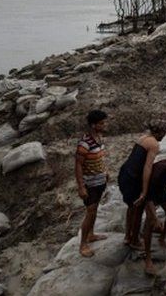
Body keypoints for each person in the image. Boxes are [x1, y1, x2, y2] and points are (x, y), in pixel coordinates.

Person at [117, 118, 166, 250]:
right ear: (159, 132)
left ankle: (127, 236)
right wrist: (144, 191)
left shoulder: (143, 138)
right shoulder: (154, 144)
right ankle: (134, 240)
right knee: (138, 209)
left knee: (131, 207)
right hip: (133, 178)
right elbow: (147, 168)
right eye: (164, 133)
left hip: (124, 174)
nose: (164, 136)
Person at [75, 109, 109, 257]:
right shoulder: (85, 143)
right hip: (90, 184)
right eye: (102, 123)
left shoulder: (99, 138)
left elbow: (100, 157)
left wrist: (105, 171)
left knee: (94, 210)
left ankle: (91, 234)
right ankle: (83, 244)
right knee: (90, 212)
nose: (104, 125)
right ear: (94, 125)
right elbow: (78, 165)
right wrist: (81, 187)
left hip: (100, 181)